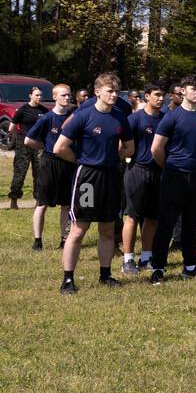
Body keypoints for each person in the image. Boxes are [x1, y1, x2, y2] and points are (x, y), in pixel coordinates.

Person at [54, 74, 134, 293]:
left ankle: (105, 274)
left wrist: (115, 157)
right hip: (88, 178)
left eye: (116, 91)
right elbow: (59, 147)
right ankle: (68, 280)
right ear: (97, 91)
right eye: (110, 91)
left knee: (108, 228)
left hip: (110, 177)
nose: (114, 95)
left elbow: (129, 147)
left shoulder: (120, 117)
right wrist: (81, 161)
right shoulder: (84, 115)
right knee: (80, 229)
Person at [148, 76, 196, 283]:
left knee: (191, 222)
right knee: (166, 223)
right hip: (173, 175)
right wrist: (171, 166)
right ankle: (158, 268)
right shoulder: (171, 117)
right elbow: (156, 149)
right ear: (183, 91)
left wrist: (192, 163)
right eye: (193, 89)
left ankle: (190, 266)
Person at [121, 84, 165, 273]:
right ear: (147, 96)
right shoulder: (134, 119)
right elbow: (122, 145)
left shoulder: (166, 119)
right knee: (132, 216)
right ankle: (128, 260)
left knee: (152, 218)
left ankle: (146, 257)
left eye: (163, 95)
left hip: (158, 172)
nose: (161, 99)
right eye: (157, 95)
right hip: (137, 171)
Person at [25, 84, 75, 250]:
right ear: (54, 97)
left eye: (68, 95)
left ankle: (64, 239)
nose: (67, 98)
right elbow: (28, 140)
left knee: (66, 205)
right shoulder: (46, 118)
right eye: (63, 96)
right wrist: (46, 147)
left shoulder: (73, 117)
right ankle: (37, 240)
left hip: (68, 163)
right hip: (49, 163)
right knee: (42, 203)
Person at [6, 86, 47, 209]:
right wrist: (20, 138)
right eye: (36, 95)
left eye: (40, 95)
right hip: (23, 145)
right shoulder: (22, 110)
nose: (39, 97)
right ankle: (14, 200)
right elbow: (11, 128)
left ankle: (38, 200)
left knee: (39, 173)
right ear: (30, 96)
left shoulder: (44, 111)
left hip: (38, 145)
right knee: (20, 173)